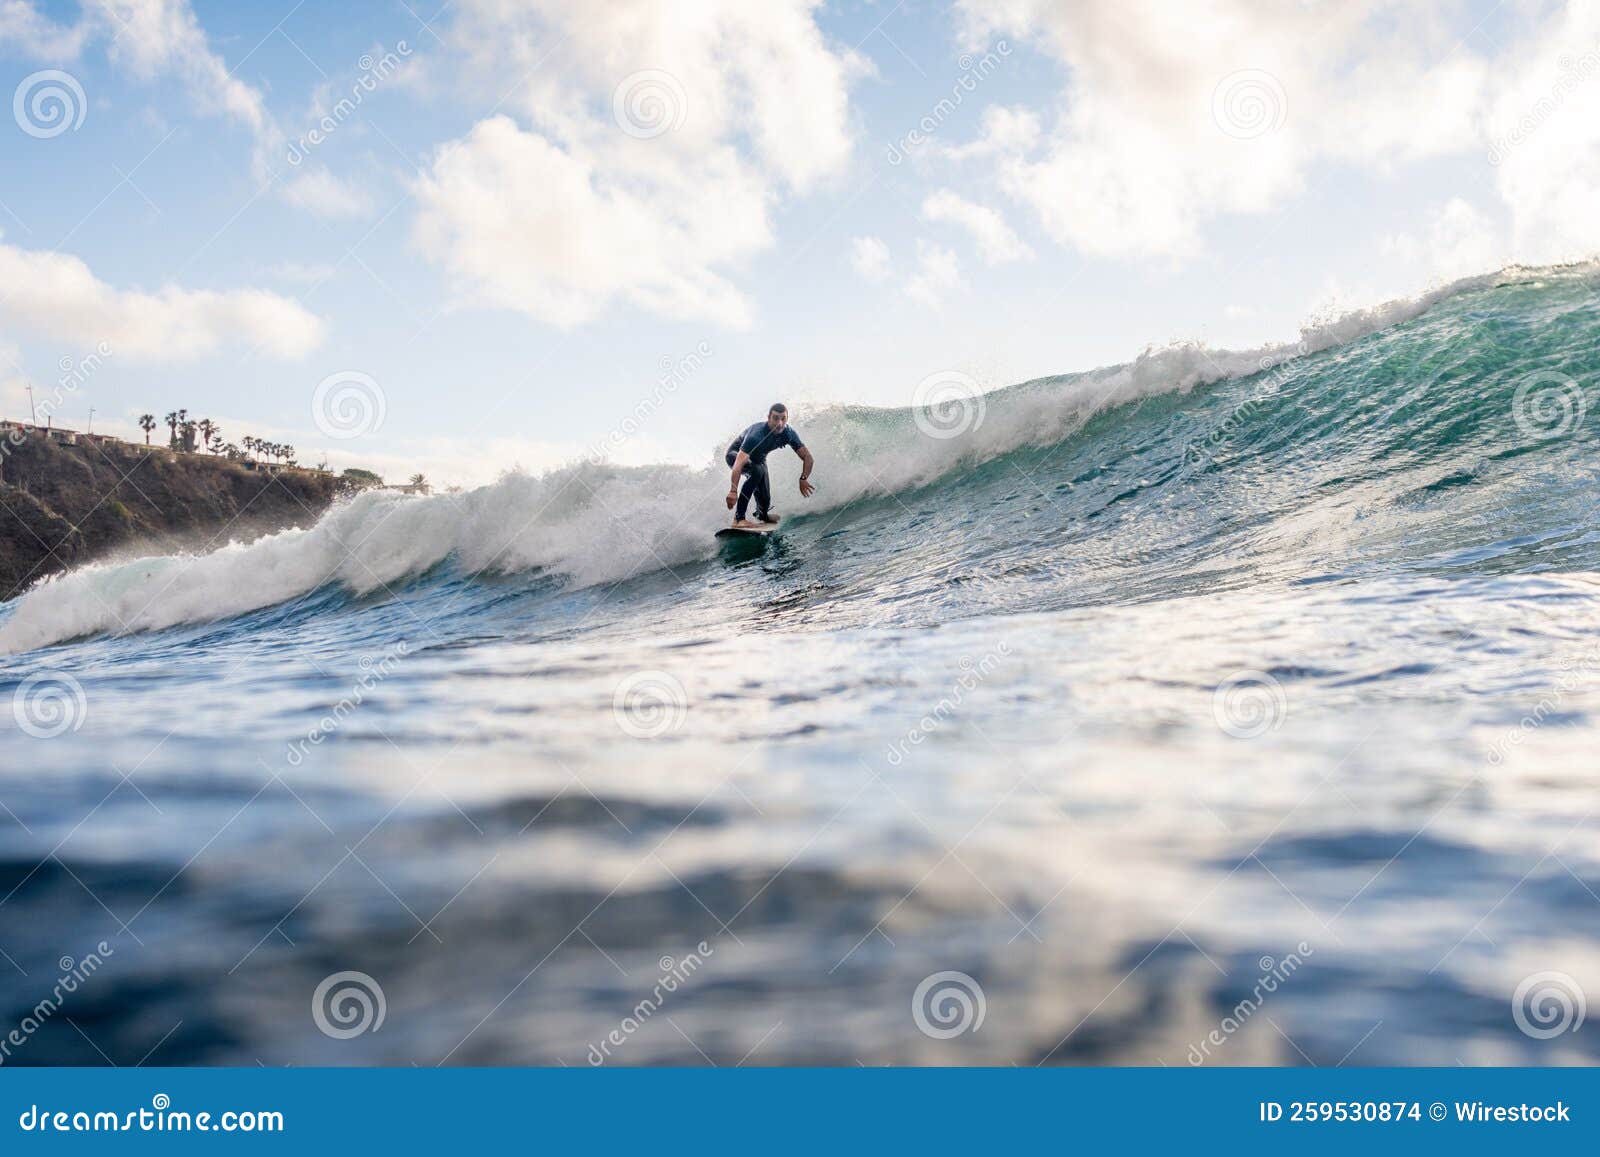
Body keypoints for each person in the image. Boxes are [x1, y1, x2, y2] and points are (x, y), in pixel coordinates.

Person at [725, 403, 815, 526]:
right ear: (768, 417)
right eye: (776, 418)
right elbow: (738, 464)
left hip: (759, 460)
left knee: (766, 496)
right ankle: (739, 519)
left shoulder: (788, 433)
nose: (779, 423)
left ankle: (762, 515)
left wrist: (803, 478)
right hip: (735, 455)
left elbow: (807, 457)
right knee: (757, 472)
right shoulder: (756, 435)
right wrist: (733, 491)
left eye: (783, 418)